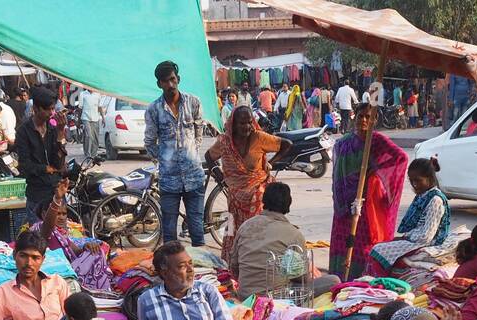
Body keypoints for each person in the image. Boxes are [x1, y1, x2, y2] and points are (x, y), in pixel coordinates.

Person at [137, 241, 256, 320]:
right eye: (182, 266)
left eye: (191, 264)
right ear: (165, 273)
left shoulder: (207, 290)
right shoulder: (147, 300)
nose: (190, 270)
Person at [330, 103, 408, 279]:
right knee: (343, 243)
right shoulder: (343, 143)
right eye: (360, 116)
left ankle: (362, 279)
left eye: (368, 117)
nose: (364, 120)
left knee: (362, 243)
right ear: (354, 117)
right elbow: (336, 175)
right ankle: (341, 278)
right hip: (343, 207)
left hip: (364, 205)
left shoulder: (377, 141)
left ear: (374, 120)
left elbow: (401, 158)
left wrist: (376, 171)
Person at [204, 104, 287, 262]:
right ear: (233, 124)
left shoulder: (259, 137)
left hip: (258, 197)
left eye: (250, 122)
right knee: (234, 233)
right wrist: (220, 176)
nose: (247, 126)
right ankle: (236, 264)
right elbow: (209, 157)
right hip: (235, 198)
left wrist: (272, 163)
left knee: (258, 235)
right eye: (242, 123)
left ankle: (258, 263)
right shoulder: (224, 142)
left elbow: (286, 145)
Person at [230, 182, 340, 300]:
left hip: (245, 295)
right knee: (334, 280)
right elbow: (300, 278)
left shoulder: (246, 226)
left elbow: (234, 266)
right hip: (277, 298)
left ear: (264, 201)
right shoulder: (293, 234)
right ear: (288, 203)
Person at [144, 60, 206, 246]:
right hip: (169, 181)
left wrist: (191, 154)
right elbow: (149, 142)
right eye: (165, 81)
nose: (170, 85)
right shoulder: (154, 109)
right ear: (159, 84)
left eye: (172, 79)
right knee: (170, 234)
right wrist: (164, 159)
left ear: (178, 79)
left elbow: (199, 134)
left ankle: (202, 273)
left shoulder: (193, 102)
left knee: (197, 230)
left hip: (194, 178)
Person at [369, 157, 452, 275]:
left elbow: (426, 235)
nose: (414, 185)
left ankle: (380, 281)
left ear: (429, 178)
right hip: (415, 239)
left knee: (378, 251)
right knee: (379, 246)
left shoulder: (435, 200)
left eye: (418, 181)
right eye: (411, 181)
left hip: (426, 242)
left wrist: (406, 238)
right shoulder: (422, 195)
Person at [15, 87, 68, 217]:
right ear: (36, 109)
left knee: (60, 234)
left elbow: (59, 163)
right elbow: (24, 165)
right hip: (37, 194)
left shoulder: (53, 129)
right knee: (38, 235)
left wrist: (61, 134)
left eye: (53, 109)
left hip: (56, 191)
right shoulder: (24, 131)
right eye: (48, 109)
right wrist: (45, 169)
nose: (52, 113)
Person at [78, 86, 102, 159]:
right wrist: (78, 120)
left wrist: (103, 118)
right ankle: (88, 156)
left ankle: (93, 155)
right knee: (89, 136)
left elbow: (99, 107)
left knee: (95, 139)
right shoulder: (83, 94)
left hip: (95, 118)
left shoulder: (98, 95)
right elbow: (80, 108)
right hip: (85, 118)